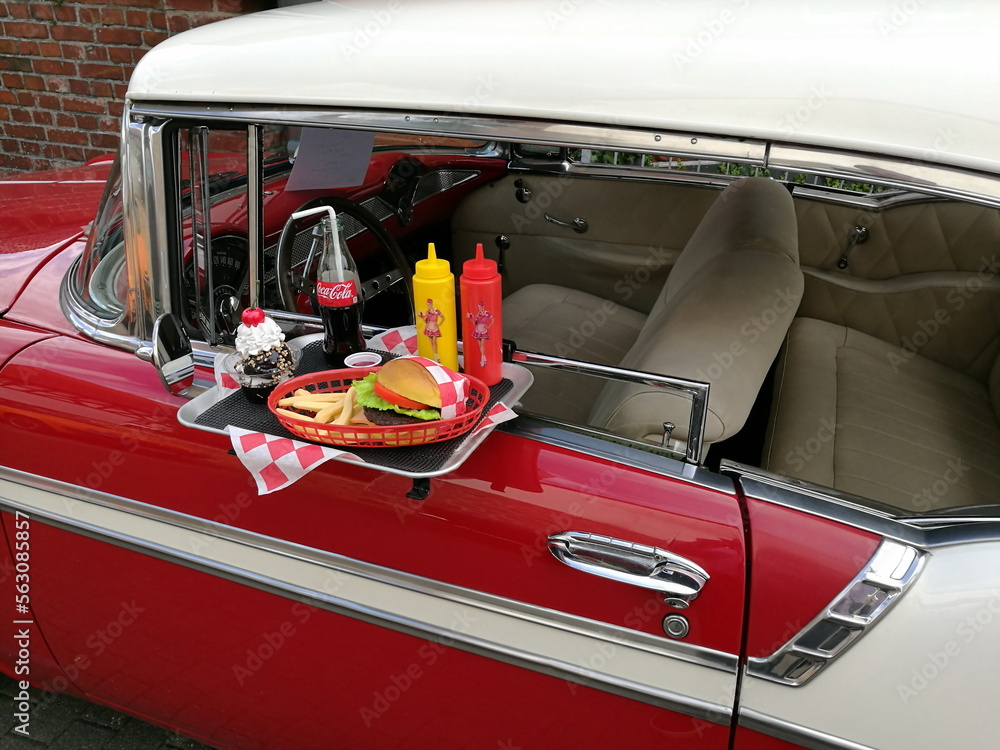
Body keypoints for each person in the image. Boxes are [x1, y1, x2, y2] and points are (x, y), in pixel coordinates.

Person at [467, 301, 494, 368]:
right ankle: (484, 358)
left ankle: (482, 359)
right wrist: (470, 319)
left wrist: (489, 326)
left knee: (482, 344)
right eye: (479, 307)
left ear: (483, 307)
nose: (480, 308)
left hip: (484, 330)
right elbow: (475, 323)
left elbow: (492, 320)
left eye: (481, 307)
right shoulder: (477, 314)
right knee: (480, 345)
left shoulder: (487, 313)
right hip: (477, 330)